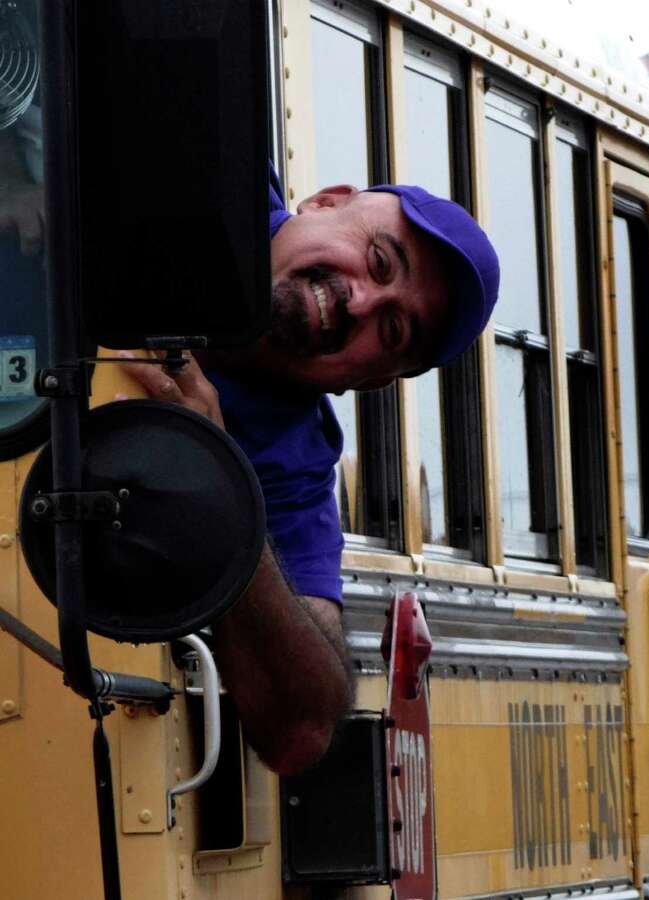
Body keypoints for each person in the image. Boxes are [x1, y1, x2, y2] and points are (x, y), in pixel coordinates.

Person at [116, 169, 500, 774]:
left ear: (369, 381)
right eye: (378, 260)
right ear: (325, 202)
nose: (362, 301)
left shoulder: (291, 469)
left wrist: (218, 483)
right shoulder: (206, 165)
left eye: (392, 329)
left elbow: (299, 733)